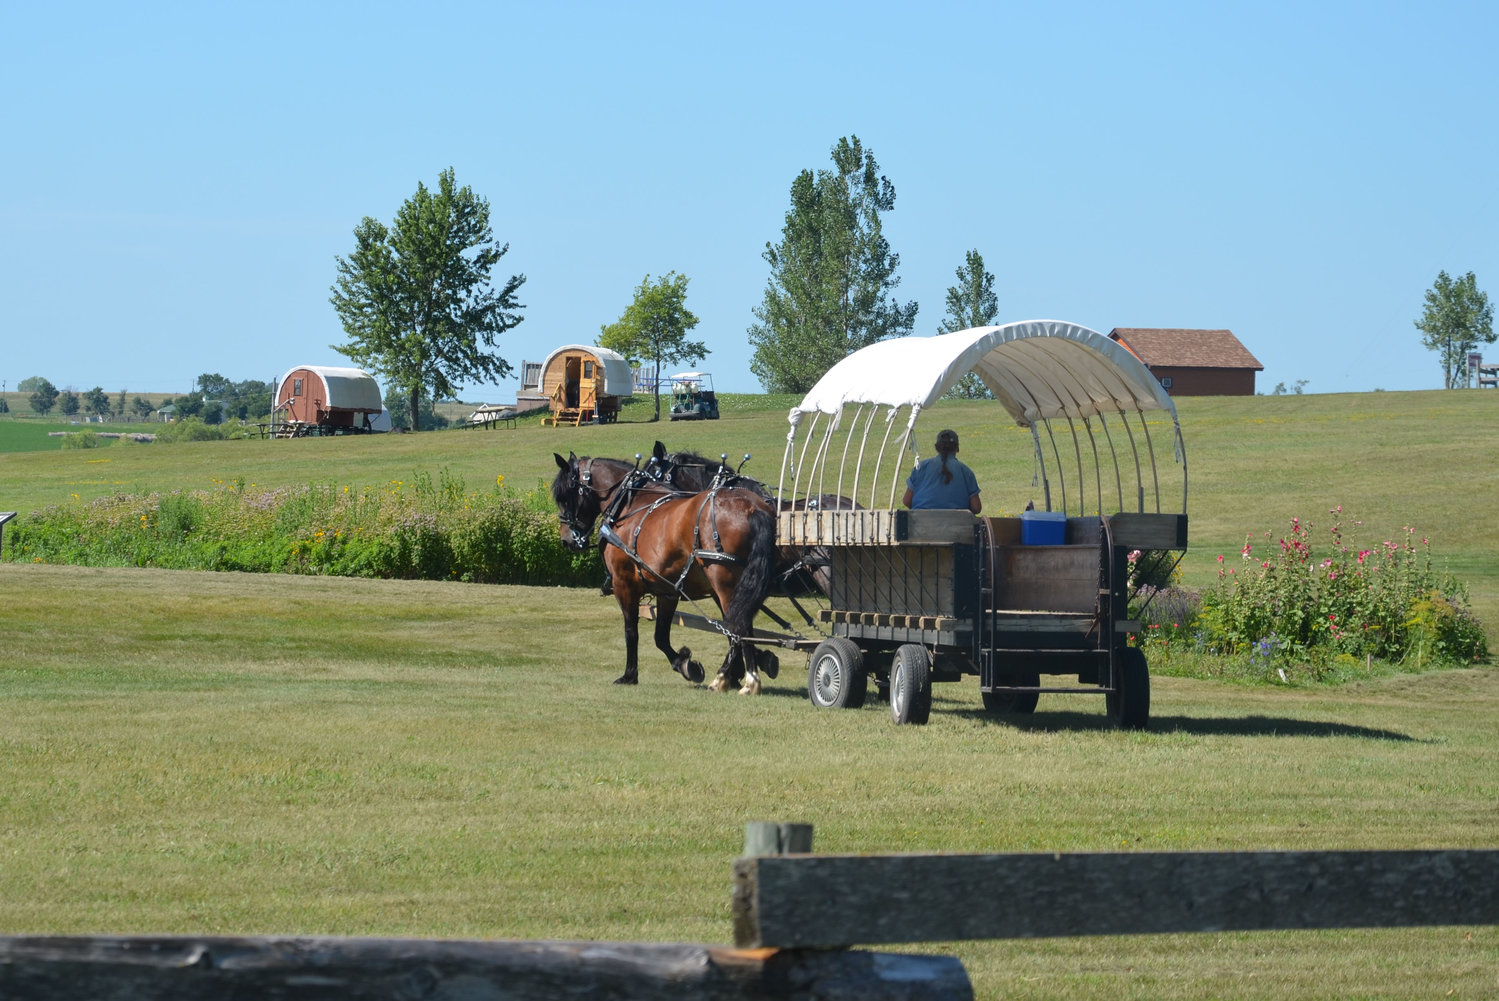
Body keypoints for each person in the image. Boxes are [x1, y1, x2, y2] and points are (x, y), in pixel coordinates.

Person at [902, 428, 981, 514]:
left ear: (937, 447)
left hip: (920, 524)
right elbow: (976, 508)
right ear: (957, 448)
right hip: (957, 525)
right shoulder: (966, 472)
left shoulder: (921, 467)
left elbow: (907, 501)